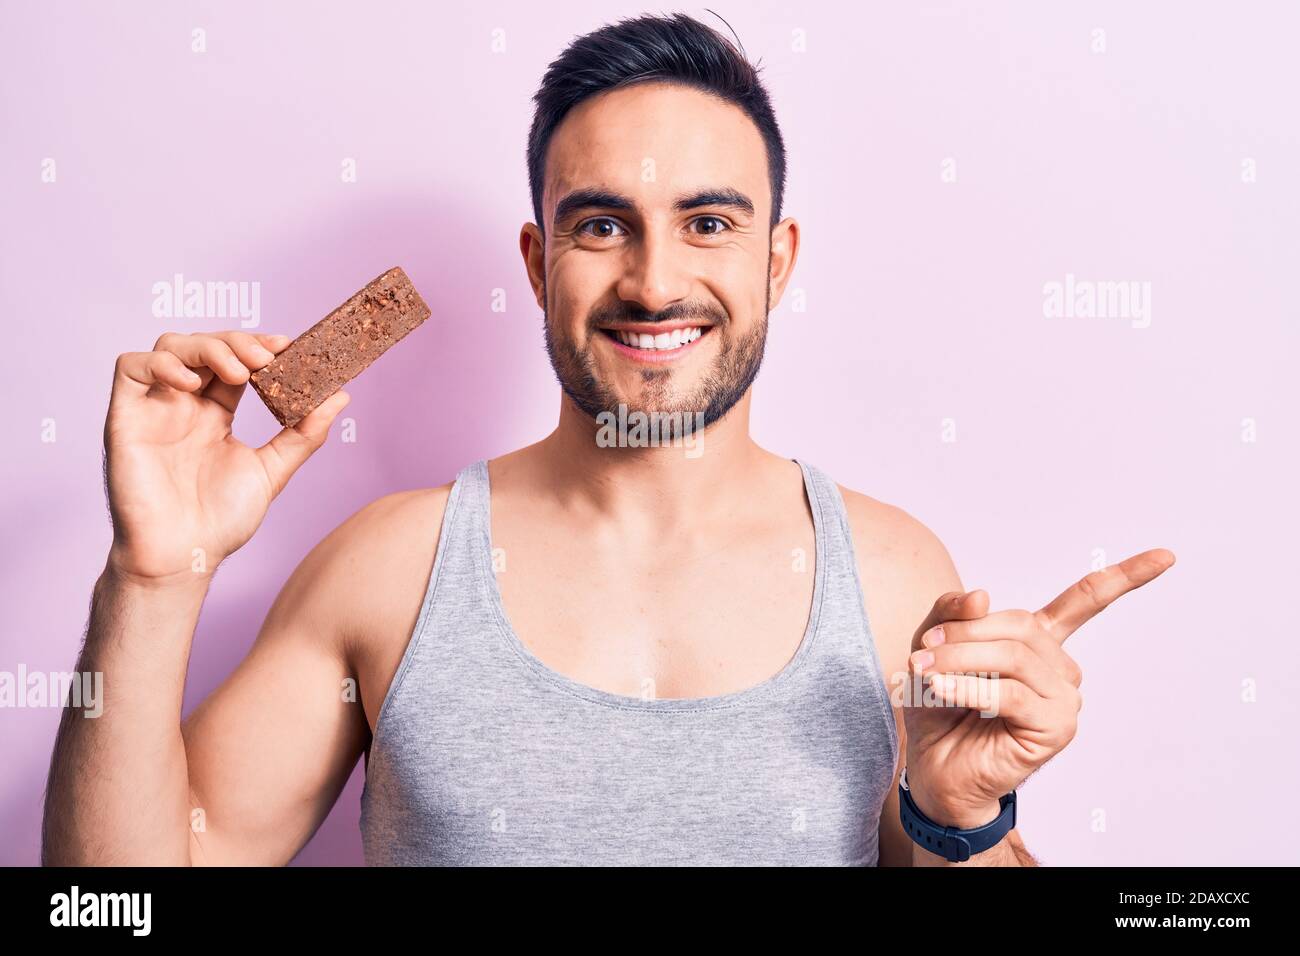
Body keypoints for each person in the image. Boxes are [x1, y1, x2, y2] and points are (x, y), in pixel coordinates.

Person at [42, 12, 1172, 866]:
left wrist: (960, 818)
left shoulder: (893, 577)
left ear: (775, 260)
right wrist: (149, 574)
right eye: (601, 225)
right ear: (538, 265)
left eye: (708, 222)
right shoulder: (389, 569)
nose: (655, 280)